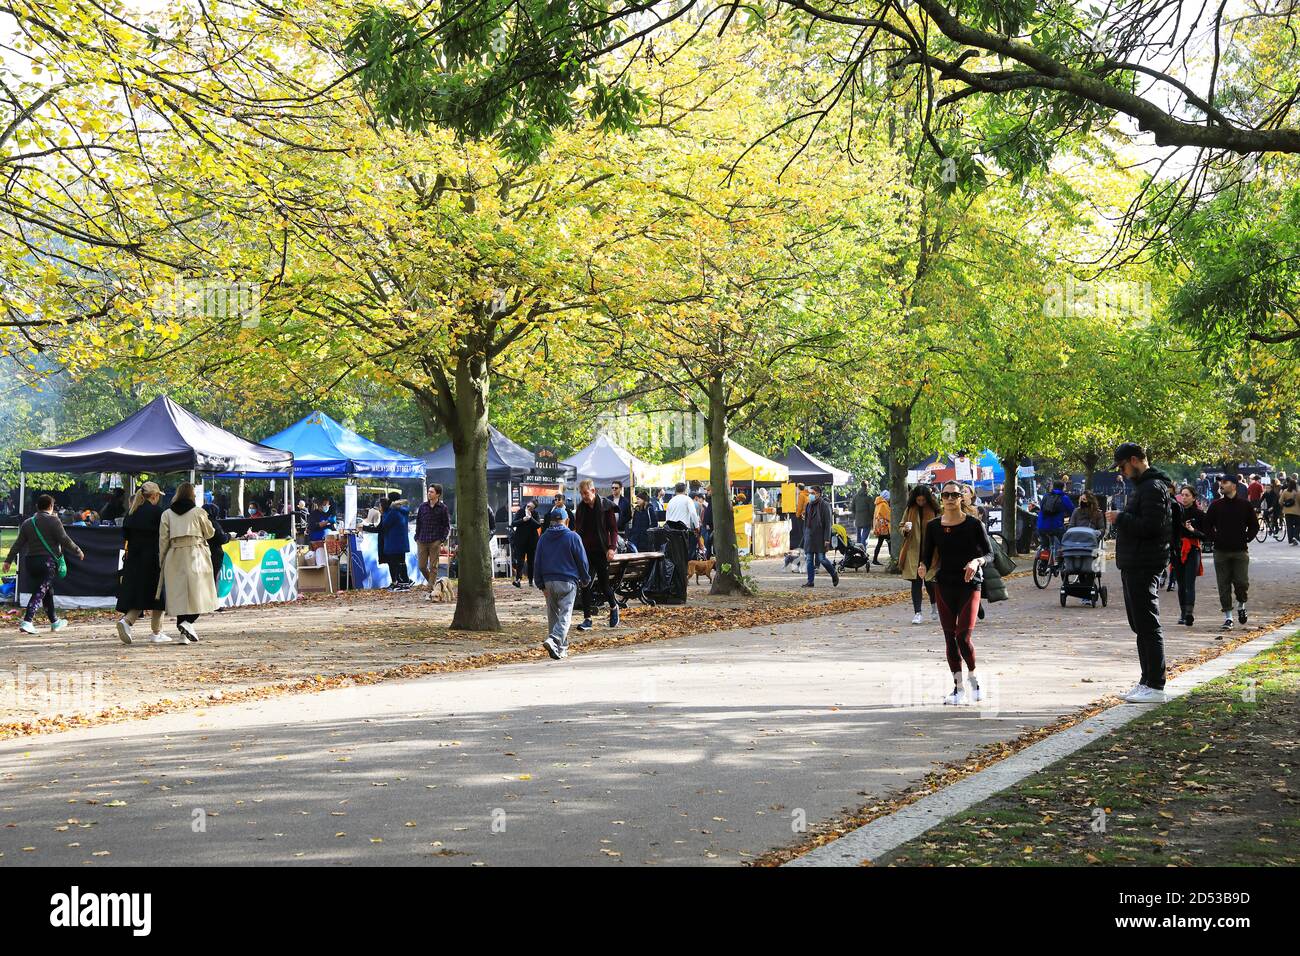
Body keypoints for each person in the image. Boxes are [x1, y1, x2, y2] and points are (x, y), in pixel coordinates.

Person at [1105, 443, 1173, 703]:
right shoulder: (1144, 487)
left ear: (1134, 460)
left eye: (1122, 466)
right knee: (1139, 624)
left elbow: (1151, 526)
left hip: (1144, 563)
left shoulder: (1152, 488)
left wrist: (1121, 518)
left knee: (1147, 623)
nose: (1121, 472)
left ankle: (1155, 684)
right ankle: (1147, 680)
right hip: (1135, 562)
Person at [916, 481, 992, 706]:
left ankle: (974, 678)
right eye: (946, 495)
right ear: (941, 498)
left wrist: (977, 561)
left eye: (954, 495)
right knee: (950, 638)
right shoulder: (933, 526)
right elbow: (926, 554)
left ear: (962, 498)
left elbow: (989, 554)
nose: (950, 498)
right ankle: (958, 688)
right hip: (944, 584)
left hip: (970, 585)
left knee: (963, 636)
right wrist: (922, 565)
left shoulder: (974, 524)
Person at [3, 494, 84, 634]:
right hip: (47, 562)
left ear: (37, 507)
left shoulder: (28, 522)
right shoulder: (54, 520)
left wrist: (8, 561)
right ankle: (28, 621)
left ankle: (54, 622)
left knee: (46, 590)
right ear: (51, 507)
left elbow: (18, 544)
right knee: (40, 591)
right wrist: (78, 550)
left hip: (31, 562)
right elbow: (64, 539)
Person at [157, 482, 218, 644]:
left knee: (180, 596)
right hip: (196, 553)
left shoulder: (167, 514)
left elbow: (163, 540)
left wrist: (162, 560)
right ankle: (188, 622)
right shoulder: (199, 512)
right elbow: (210, 533)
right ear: (193, 495)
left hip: (174, 554)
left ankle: (183, 632)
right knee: (200, 593)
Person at [114, 482, 172, 644]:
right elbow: (166, 535)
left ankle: (127, 621)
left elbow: (125, 536)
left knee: (140, 593)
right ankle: (156, 631)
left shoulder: (131, 512)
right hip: (154, 558)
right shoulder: (158, 513)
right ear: (154, 496)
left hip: (134, 559)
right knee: (158, 595)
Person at [1202, 474, 1260, 632]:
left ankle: (1241, 604)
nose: (1221, 485)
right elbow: (1207, 525)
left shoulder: (1245, 505)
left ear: (1234, 485)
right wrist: (1215, 538)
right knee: (1223, 585)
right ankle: (1228, 617)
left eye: (1225, 482)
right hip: (1220, 552)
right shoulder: (1216, 505)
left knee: (1242, 583)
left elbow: (1254, 525)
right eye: (1221, 482)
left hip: (1240, 551)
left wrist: (1246, 538)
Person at [533, 508, 590, 660]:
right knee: (565, 614)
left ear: (551, 522)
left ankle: (560, 649)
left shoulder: (543, 538)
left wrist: (540, 583)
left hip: (549, 582)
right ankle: (554, 639)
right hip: (567, 581)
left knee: (553, 616)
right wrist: (585, 579)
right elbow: (582, 561)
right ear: (567, 521)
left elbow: (537, 562)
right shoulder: (573, 536)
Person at [572, 479, 620, 630]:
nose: (584, 497)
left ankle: (613, 607)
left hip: (601, 551)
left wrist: (611, 547)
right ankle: (587, 619)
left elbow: (613, 529)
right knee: (585, 584)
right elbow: (577, 529)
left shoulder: (606, 506)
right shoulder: (581, 508)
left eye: (585, 493)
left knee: (605, 586)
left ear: (593, 491)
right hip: (586, 552)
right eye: (581, 494)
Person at [899, 484, 939, 623]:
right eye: (918, 500)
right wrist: (905, 529)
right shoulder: (910, 508)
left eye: (923, 500)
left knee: (929, 582)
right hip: (913, 551)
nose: (921, 502)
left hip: (930, 552)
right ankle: (918, 613)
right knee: (916, 582)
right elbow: (901, 526)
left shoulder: (934, 509)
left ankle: (934, 607)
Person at [1171, 484, 1205, 627]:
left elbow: (1206, 536)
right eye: (1182, 495)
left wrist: (1193, 530)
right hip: (1177, 550)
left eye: (1187, 495)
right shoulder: (1175, 512)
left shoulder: (1199, 514)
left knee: (1189, 583)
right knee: (1181, 583)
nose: (1184, 498)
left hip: (1192, 550)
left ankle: (1189, 613)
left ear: (1193, 497)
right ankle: (1183, 613)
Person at [801, 484, 839, 588]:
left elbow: (828, 524)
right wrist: (805, 534)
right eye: (810, 494)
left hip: (820, 536)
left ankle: (833, 573)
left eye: (812, 493)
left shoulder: (824, 505)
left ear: (818, 494)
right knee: (809, 559)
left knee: (822, 559)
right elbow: (806, 522)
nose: (810, 495)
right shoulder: (809, 505)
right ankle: (810, 581)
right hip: (809, 536)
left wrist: (827, 539)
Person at [415, 485, 451, 584]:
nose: (429, 493)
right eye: (428, 491)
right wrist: (416, 537)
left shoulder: (443, 508)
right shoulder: (422, 506)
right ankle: (434, 584)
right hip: (422, 539)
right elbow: (419, 522)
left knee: (433, 566)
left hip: (435, 541)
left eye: (431, 492)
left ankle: (431, 589)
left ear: (438, 494)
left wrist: (441, 539)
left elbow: (446, 525)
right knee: (421, 566)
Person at [1035, 480, 1074, 564]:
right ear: (1063, 487)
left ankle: (1043, 563)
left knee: (1045, 545)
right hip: (1056, 526)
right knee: (1064, 540)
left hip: (1041, 526)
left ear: (1052, 487)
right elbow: (1072, 511)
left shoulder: (1045, 496)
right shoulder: (1064, 498)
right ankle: (1060, 559)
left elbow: (1041, 507)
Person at [379, 496, 412, 590]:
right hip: (402, 542)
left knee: (395, 564)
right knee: (401, 562)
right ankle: (404, 583)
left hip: (393, 542)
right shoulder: (404, 510)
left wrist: (383, 514)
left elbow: (384, 525)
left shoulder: (393, 512)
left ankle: (401, 583)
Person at [510, 500, 543, 587]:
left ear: (534, 508)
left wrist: (530, 518)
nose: (528, 508)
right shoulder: (520, 511)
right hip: (520, 540)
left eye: (531, 508)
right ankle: (518, 579)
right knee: (520, 560)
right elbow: (513, 523)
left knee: (531, 561)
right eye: (528, 506)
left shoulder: (535, 514)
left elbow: (538, 525)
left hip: (532, 541)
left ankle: (531, 580)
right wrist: (523, 520)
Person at [871, 490, 891, 565]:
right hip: (884, 527)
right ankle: (892, 559)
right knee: (889, 542)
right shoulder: (884, 505)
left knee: (880, 543)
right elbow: (888, 516)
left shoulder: (878, 504)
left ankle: (875, 559)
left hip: (879, 527)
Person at [851, 480, 873, 548]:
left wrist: (856, 515)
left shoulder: (855, 496)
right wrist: (872, 517)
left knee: (859, 537)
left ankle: (859, 551)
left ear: (861, 485)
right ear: (867, 486)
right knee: (864, 537)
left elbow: (852, 507)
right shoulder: (869, 496)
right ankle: (864, 551)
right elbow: (872, 509)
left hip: (858, 519)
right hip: (867, 519)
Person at [1281, 478, 1300, 545]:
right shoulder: (1298, 492)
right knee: (1298, 525)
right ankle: (1295, 535)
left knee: (1289, 526)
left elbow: (1280, 501)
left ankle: (1291, 540)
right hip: (1297, 512)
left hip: (1287, 511)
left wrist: (1284, 504)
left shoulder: (1285, 491)